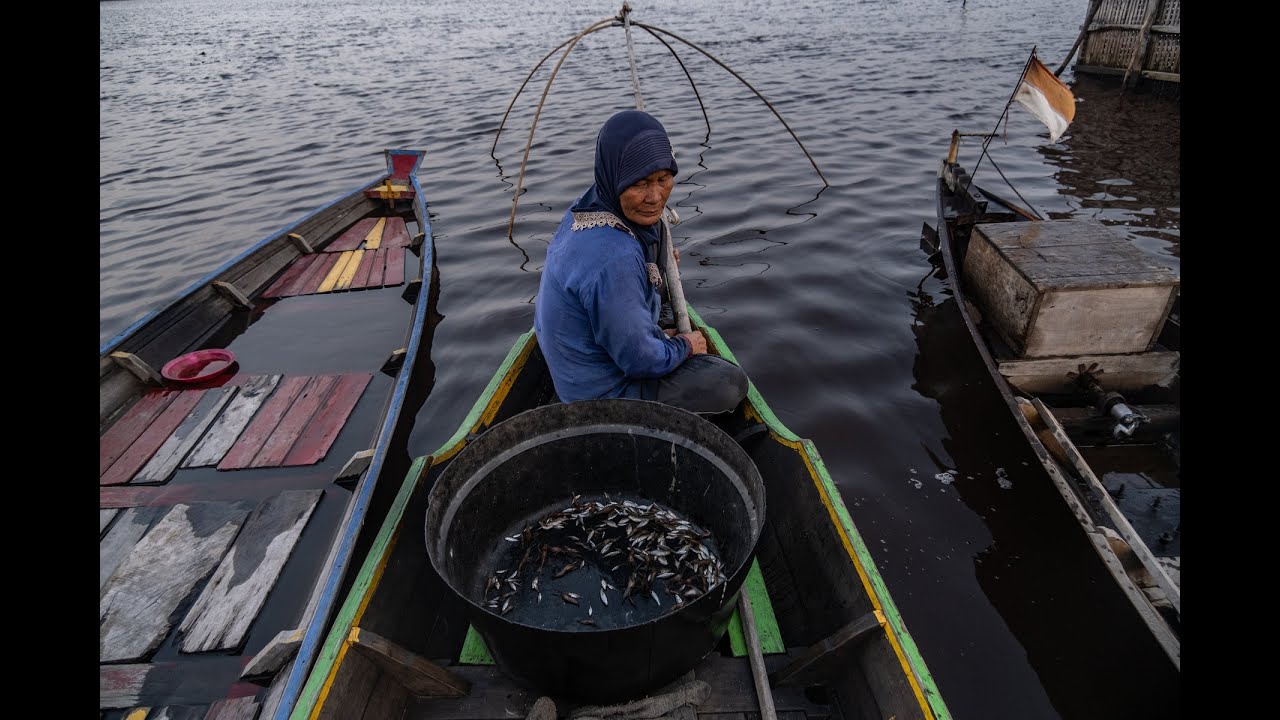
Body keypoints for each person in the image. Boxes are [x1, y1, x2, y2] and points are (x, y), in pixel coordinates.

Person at [534, 110, 749, 414]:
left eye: (663, 179)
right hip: (598, 399)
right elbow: (639, 361)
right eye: (640, 183)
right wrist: (686, 346)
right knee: (729, 383)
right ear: (615, 177)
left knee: (656, 229)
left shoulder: (588, 204)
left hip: (580, 368)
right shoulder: (613, 257)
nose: (655, 197)